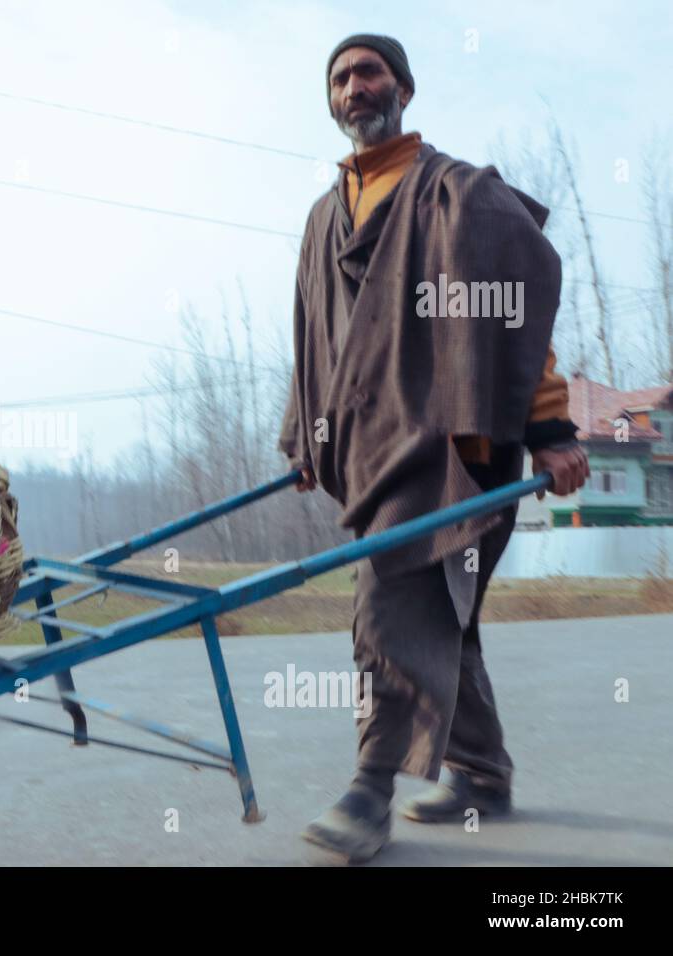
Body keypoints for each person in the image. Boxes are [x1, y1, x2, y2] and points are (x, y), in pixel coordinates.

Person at [279, 33, 590, 862]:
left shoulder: (459, 193)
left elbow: (523, 323)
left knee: (390, 604)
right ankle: (483, 774)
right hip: (370, 451)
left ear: (404, 90)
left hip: (460, 450)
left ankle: (368, 790)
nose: (355, 86)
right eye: (341, 77)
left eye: (370, 71)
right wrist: (307, 438)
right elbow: (314, 339)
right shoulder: (322, 219)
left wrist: (552, 431)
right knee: (447, 617)